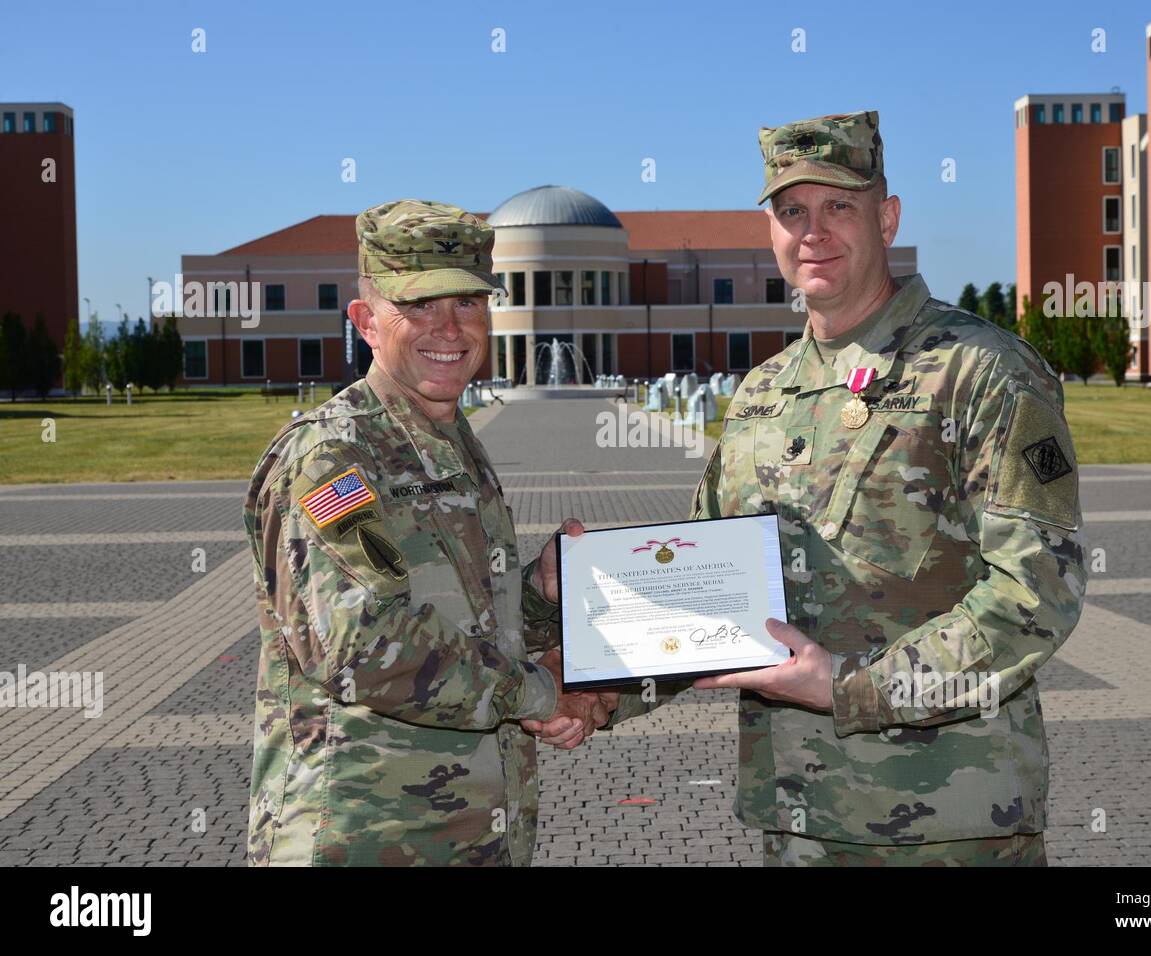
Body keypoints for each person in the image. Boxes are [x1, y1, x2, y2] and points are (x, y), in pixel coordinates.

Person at [609, 111, 1087, 866]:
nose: (813, 231)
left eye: (839, 205)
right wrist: (587, 686)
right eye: (792, 210)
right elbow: (706, 590)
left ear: (887, 217)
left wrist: (848, 686)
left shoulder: (981, 369)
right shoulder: (764, 391)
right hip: (800, 815)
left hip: (948, 820)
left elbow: (1038, 591)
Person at [243, 199, 610, 866]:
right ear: (365, 321)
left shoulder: (448, 441)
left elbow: (458, 619)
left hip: (466, 835)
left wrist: (538, 594)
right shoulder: (334, 456)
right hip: (364, 838)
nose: (450, 327)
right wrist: (537, 691)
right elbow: (361, 643)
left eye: (468, 302)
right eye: (419, 305)